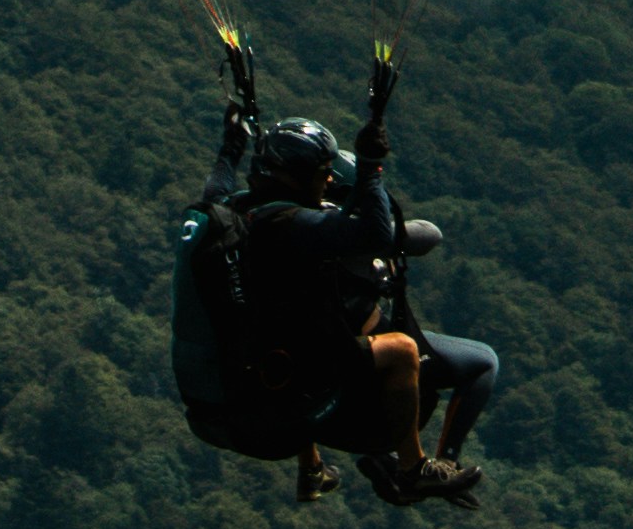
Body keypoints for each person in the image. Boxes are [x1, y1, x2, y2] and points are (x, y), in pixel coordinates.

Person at [171, 94, 494, 506]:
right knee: (402, 350)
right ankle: (413, 471)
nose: (327, 182)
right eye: (323, 173)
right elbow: (378, 236)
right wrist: (370, 167)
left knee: (294, 338)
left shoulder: (229, 216)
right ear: (297, 176)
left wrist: (232, 143)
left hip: (228, 402)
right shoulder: (294, 226)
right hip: (277, 418)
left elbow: (216, 186)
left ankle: (312, 469)